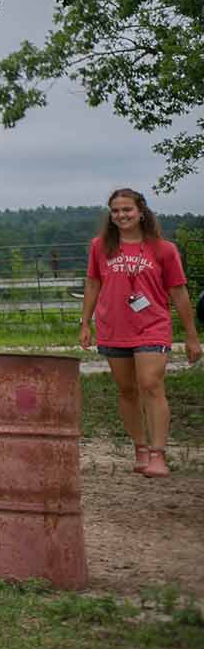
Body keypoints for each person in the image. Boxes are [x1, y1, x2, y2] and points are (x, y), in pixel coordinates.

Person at [79, 188, 202, 478]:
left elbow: (178, 291)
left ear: (141, 212)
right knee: (126, 390)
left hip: (152, 325)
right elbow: (93, 284)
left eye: (127, 210)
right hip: (113, 327)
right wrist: (85, 322)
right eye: (116, 211)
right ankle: (140, 448)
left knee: (150, 383)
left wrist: (191, 334)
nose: (121, 215)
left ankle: (158, 453)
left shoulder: (163, 249)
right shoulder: (100, 246)